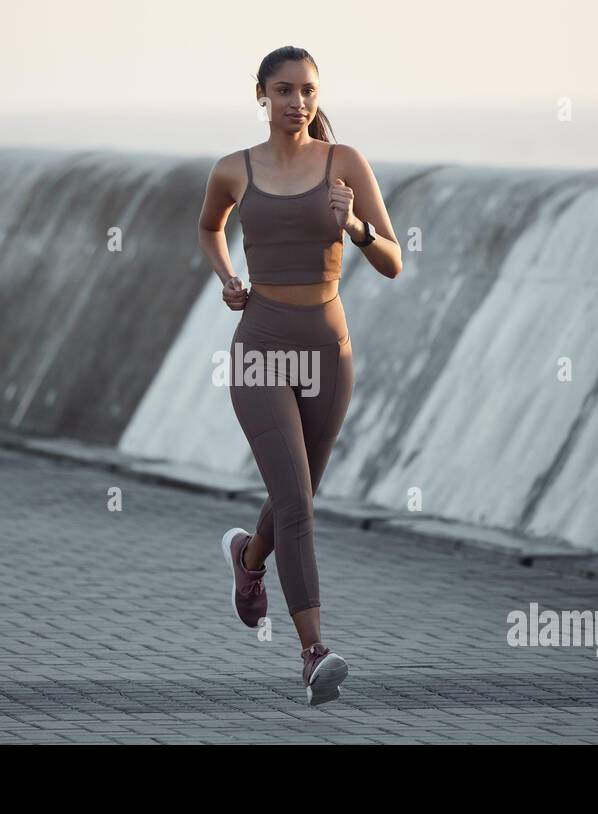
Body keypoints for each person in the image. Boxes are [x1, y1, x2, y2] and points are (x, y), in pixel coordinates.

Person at [196, 46, 402, 705]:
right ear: (261, 93)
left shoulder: (345, 165)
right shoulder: (235, 170)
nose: (297, 102)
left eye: (307, 90)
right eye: (283, 90)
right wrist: (229, 277)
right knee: (297, 503)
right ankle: (313, 652)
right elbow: (208, 227)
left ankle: (248, 562)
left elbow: (393, 261)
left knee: (299, 491)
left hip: (328, 351)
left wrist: (359, 226)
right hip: (261, 346)